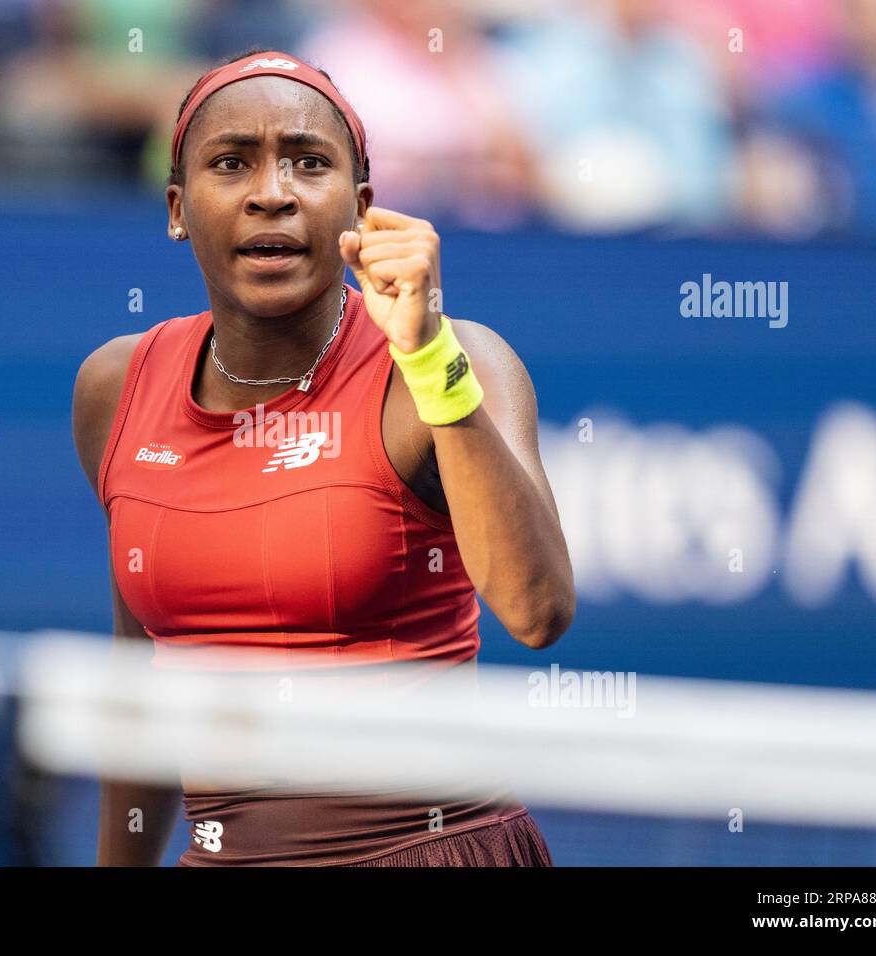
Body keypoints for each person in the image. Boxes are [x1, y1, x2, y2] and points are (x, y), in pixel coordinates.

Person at [73, 47, 575, 866]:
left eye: (309, 163)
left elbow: (537, 610)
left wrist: (428, 359)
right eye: (232, 163)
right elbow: (144, 686)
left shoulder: (456, 363)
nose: (272, 193)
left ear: (361, 206)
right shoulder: (115, 386)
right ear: (176, 206)